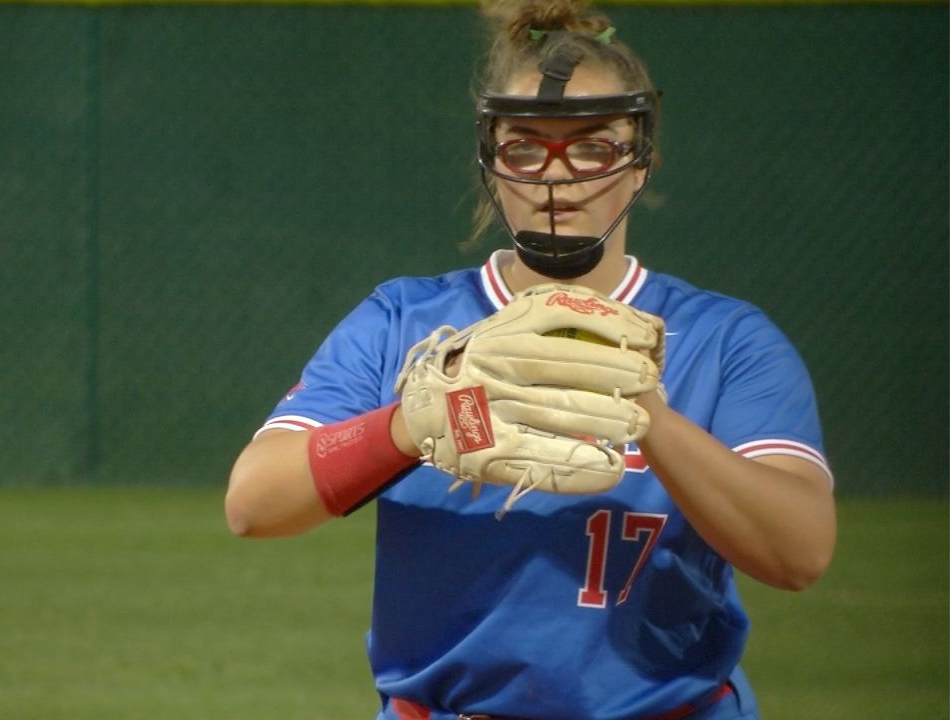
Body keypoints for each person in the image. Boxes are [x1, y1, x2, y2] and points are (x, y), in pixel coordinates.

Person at [225, 0, 836, 717]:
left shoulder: (723, 339)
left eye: (592, 147)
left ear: (641, 161)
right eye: (524, 147)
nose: (556, 176)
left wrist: (646, 414)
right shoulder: (405, 323)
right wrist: (412, 425)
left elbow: (799, 553)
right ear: (490, 161)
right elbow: (254, 504)